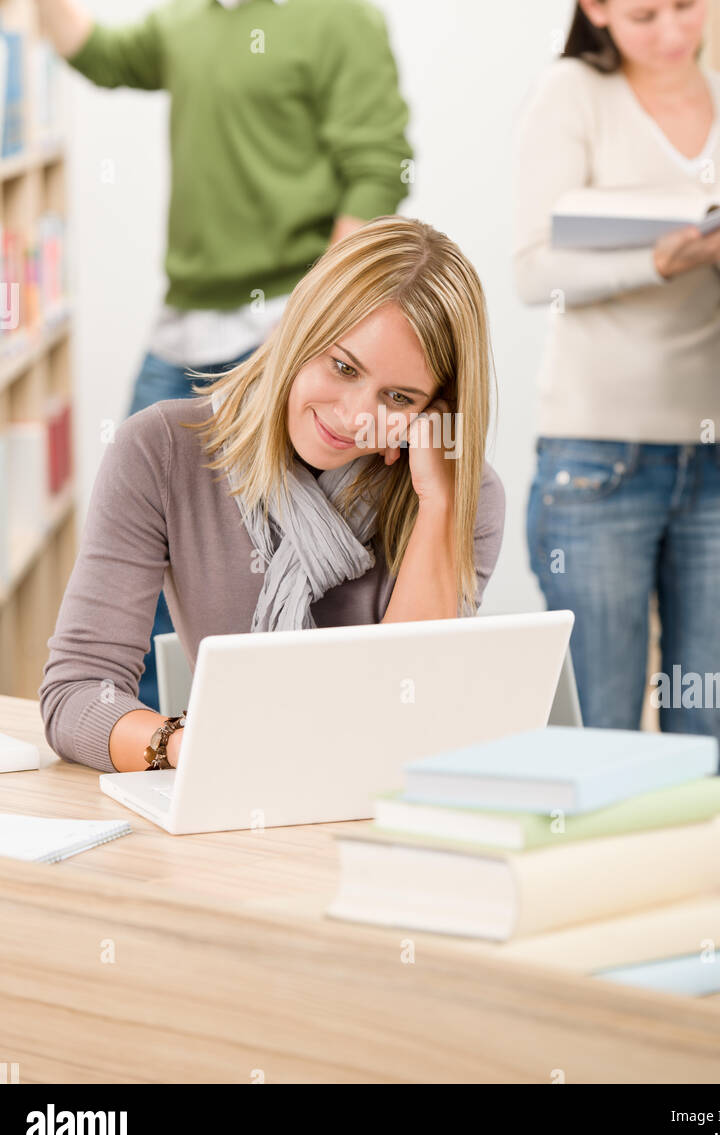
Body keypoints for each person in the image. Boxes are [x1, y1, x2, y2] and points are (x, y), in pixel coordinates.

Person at [0, 0, 413, 710]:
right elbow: (106, 54)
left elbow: (376, 169)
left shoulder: (339, 16)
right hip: (182, 329)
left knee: (263, 572)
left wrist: (317, 332)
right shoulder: (192, 10)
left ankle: (251, 759)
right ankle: (139, 757)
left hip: (277, 336)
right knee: (138, 559)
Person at [39, 218, 506, 774]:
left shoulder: (462, 496)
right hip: (235, 798)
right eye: (343, 366)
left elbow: (410, 710)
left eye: (399, 397)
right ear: (299, 330)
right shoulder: (161, 450)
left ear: (435, 409)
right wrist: (190, 745)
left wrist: (439, 507)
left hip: (379, 811)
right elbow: (77, 692)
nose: (356, 416)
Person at [515, 0, 720, 807]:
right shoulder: (572, 96)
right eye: (644, 14)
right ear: (596, 5)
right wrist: (658, 258)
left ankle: (711, 941)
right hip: (595, 464)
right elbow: (531, 273)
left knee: (713, 754)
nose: (672, 32)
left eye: (688, 4)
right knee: (600, 749)